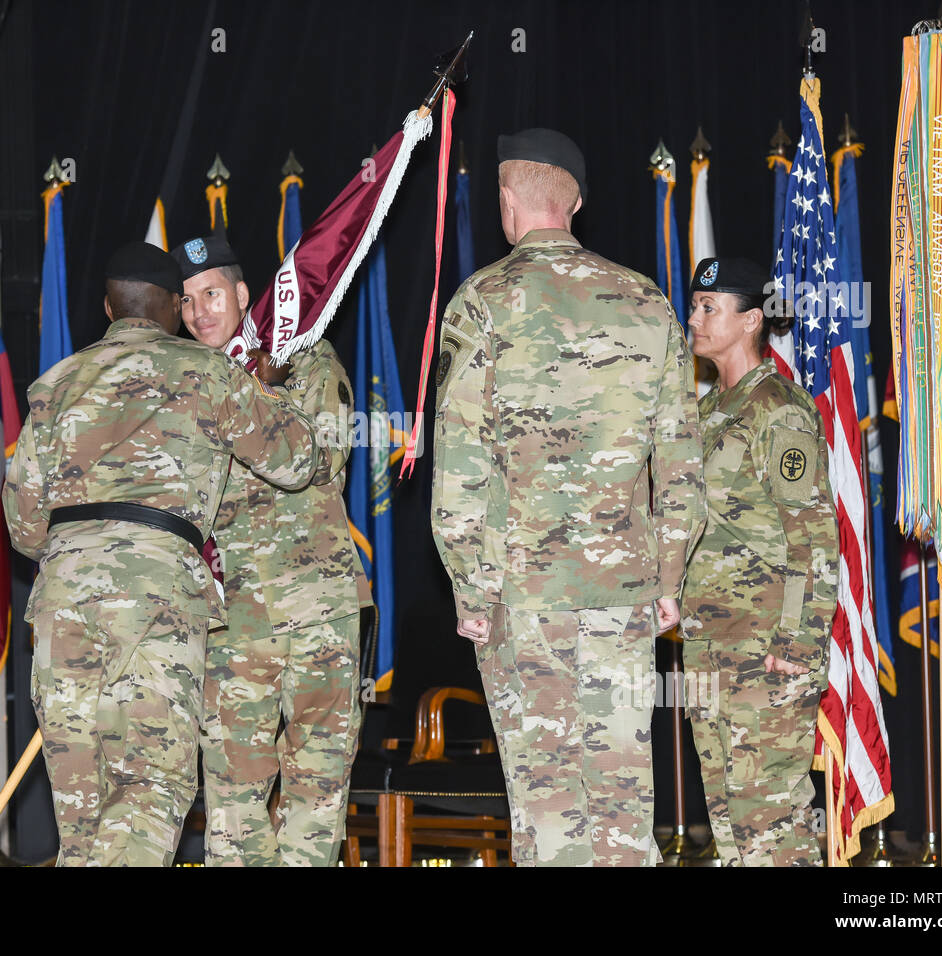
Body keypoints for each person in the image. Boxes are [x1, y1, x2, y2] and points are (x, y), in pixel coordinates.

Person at [430, 128, 706, 866]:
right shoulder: (648, 303)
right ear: (577, 202)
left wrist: (472, 587)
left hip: (523, 596)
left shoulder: (481, 301)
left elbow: (459, 464)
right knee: (621, 800)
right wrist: (669, 576)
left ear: (506, 200)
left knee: (547, 801)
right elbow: (681, 459)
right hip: (623, 591)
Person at [2, 240, 324, 867]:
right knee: (147, 796)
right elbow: (297, 460)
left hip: (64, 609)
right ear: (176, 308)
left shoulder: (53, 385)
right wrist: (274, 392)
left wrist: (81, 550)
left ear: (106, 307)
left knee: (82, 817)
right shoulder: (205, 372)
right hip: (156, 606)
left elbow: (22, 523)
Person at [171, 235, 368, 867]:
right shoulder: (182, 387)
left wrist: (254, 393)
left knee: (317, 790)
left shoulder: (306, 362)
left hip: (319, 609)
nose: (200, 312)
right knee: (233, 801)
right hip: (234, 624)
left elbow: (324, 460)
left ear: (243, 295)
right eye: (186, 301)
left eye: (211, 294)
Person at [681, 255, 837, 866]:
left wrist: (796, 643)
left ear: (750, 321)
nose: (693, 317)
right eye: (694, 305)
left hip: (766, 648)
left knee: (772, 822)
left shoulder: (780, 410)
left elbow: (815, 540)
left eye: (708, 307)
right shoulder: (704, 414)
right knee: (729, 822)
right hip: (708, 646)